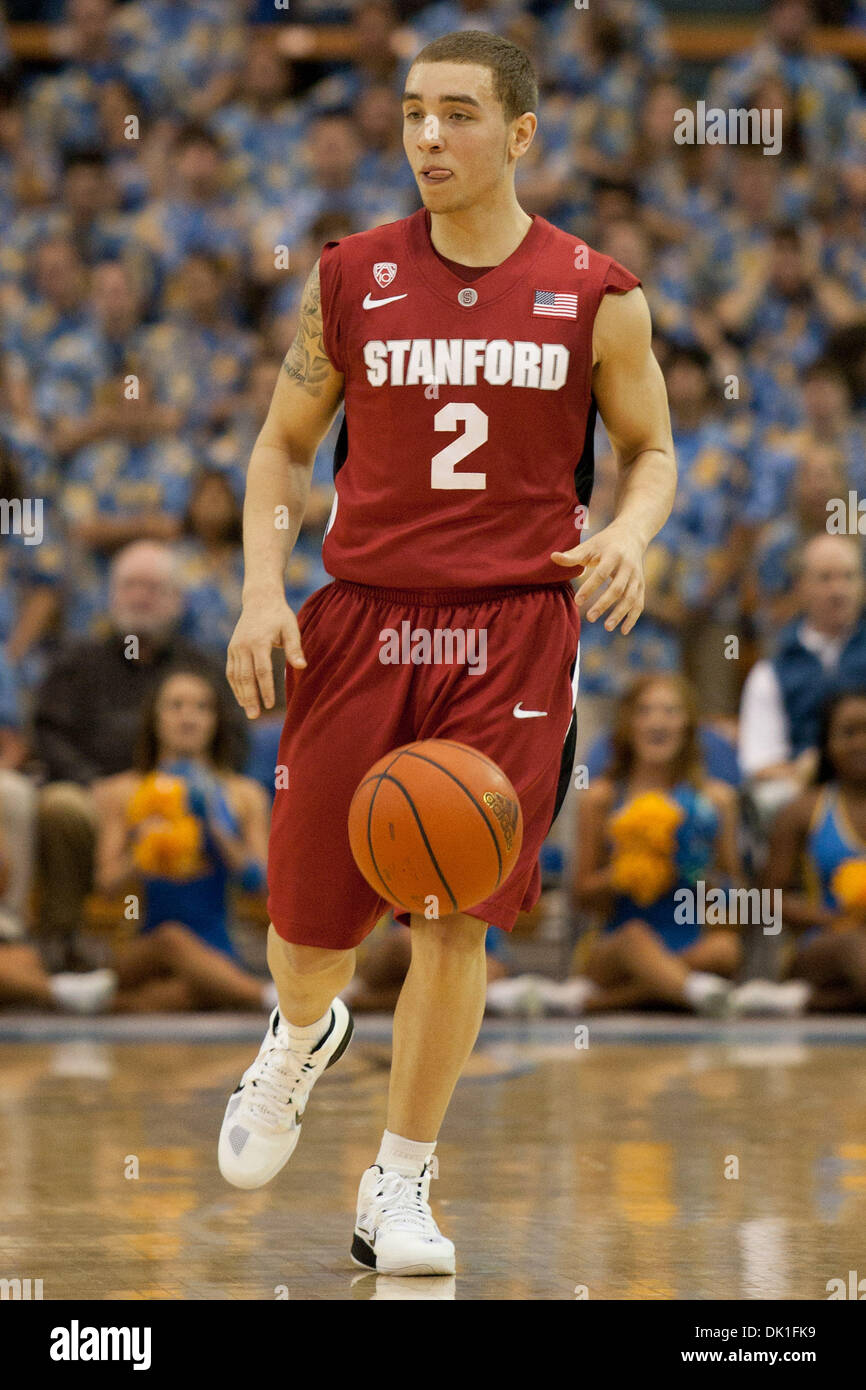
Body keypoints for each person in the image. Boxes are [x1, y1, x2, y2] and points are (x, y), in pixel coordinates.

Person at [219, 30, 677, 1277]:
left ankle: (398, 1183)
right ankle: (299, 1034)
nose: (428, 136)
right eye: (414, 113)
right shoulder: (347, 278)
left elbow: (649, 450)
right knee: (307, 928)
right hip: (361, 618)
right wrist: (262, 590)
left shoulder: (598, 291)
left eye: (459, 115)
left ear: (519, 134)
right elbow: (277, 450)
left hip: (514, 637)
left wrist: (632, 533)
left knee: (454, 910)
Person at [32, 539, 246, 968]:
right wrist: (98, 785)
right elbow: (47, 734)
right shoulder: (79, 661)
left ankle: (216, 949)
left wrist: (194, 786)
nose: (140, 597)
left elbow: (233, 739)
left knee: (226, 801)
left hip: (187, 798)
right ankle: (64, 944)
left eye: (153, 587)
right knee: (60, 805)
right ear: (111, 596)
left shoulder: (200, 666)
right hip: (95, 795)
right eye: (130, 586)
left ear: (176, 601)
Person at [490, 674, 744, 1018]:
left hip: (690, 938)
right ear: (628, 724)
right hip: (616, 944)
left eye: (671, 711)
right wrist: (626, 870)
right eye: (645, 711)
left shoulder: (716, 800)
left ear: (688, 724)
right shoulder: (601, 799)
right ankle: (689, 989)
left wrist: (696, 870)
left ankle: (612, 998)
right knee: (635, 938)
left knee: (726, 949)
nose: (658, 721)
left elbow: (735, 896)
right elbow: (580, 896)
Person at [92, 666, 273, 1013]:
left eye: (201, 707)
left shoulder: (243, 795)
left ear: (216, 720)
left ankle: (112, 1004)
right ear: (154, 718)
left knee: (180, 996)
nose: (188, 717)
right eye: (175, 706)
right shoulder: (122, 791)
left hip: (215, 949)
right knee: (171, 938)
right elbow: (106, 884)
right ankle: (267, 999)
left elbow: (262, 887)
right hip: (143, 945)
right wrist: (142, 848)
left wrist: (220, 830)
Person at [738, 534, 866, 820]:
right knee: (770, 800)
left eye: (849, 576)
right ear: (801, 587)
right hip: (805, 793)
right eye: (825, 578)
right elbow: (759, 763)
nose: (838, 590)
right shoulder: (771, 671)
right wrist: (803, 770)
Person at [765, 688, 866, 1011]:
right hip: (821, 947)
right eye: (848, 733)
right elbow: (768, 900)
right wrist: (833, 920)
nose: (861, 743)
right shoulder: (802, 811)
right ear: (827, 743)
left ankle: (812, 1003)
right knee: (854, 944)